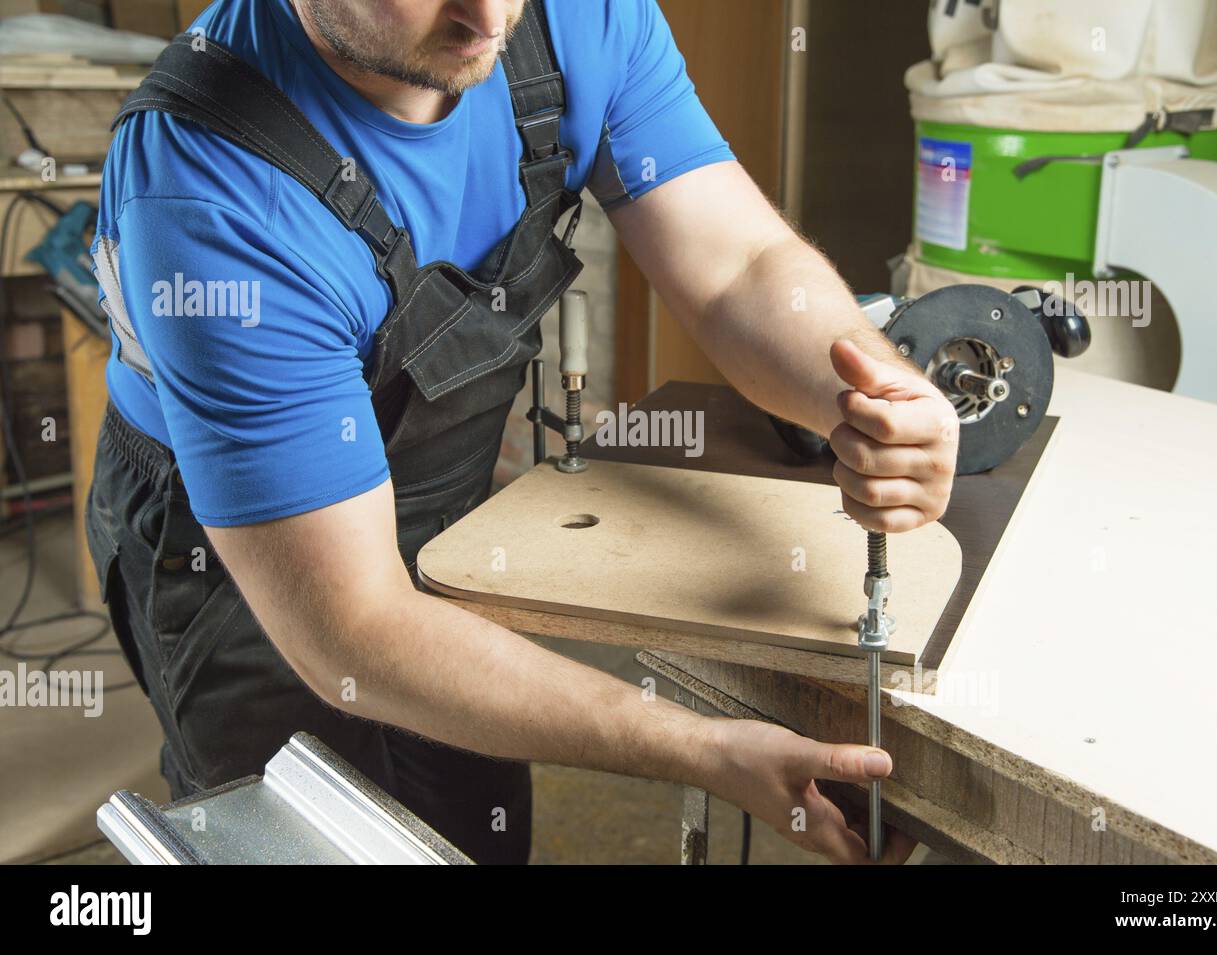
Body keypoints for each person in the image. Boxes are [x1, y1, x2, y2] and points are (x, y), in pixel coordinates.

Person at [87, 0, 958, 864]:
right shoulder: (208, 188)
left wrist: (869, 390)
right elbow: (354, 629)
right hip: (239, 561)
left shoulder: (577, 16)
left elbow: (738, 270)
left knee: (470, 831)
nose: (492, 14)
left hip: (439, 516)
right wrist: (703, 748)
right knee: (315, 837)